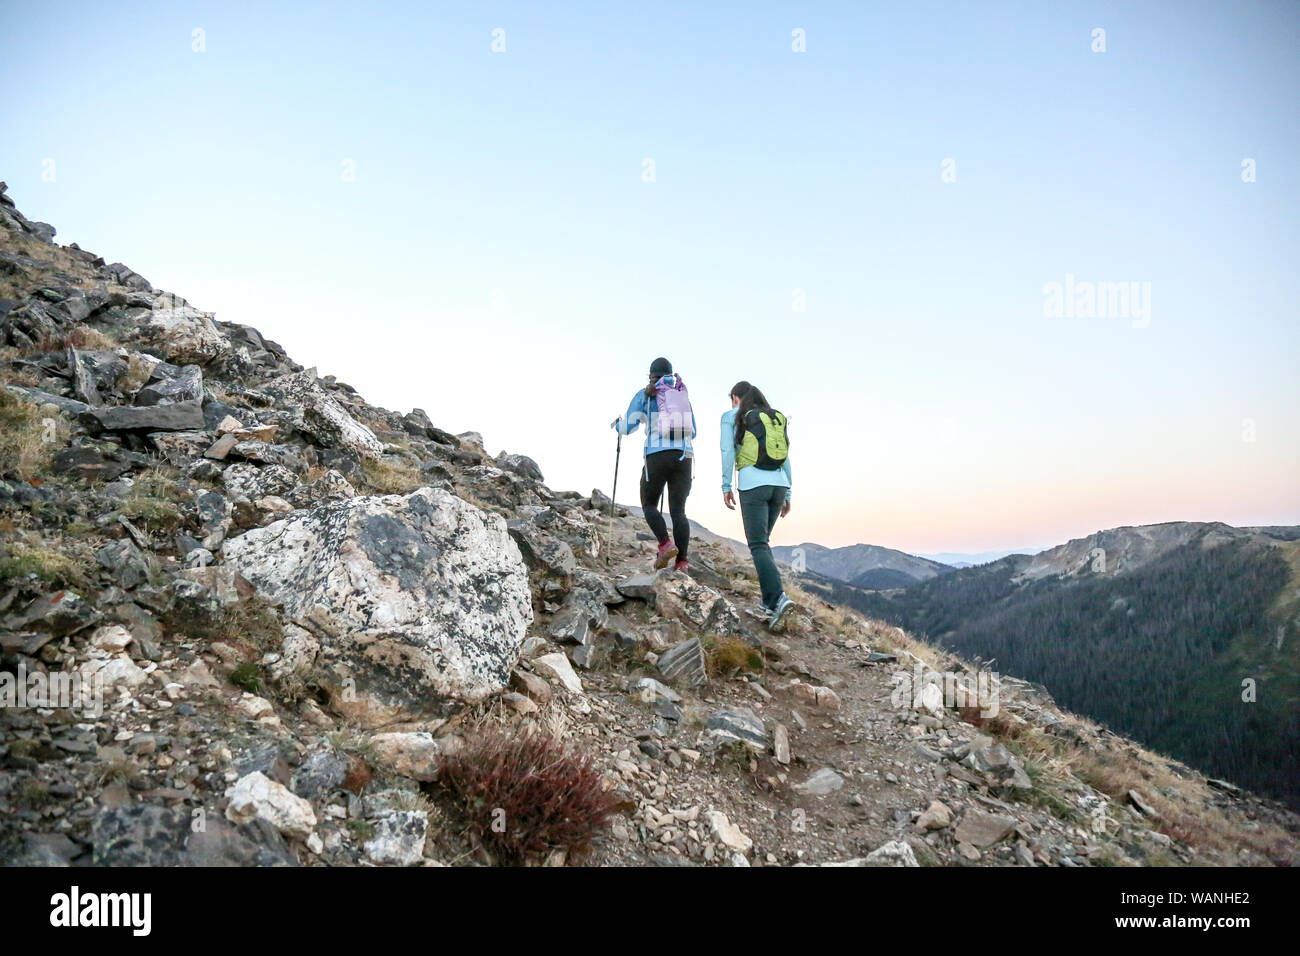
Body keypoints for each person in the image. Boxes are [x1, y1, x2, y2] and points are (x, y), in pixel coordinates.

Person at [722, 381, 795, 631]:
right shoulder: (775, 418)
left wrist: (725, 485)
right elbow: (786, 457)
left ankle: (777, 599)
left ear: (735, 397)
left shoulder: (733, 417)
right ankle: (768, 602)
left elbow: (727, 451)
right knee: (763, 543)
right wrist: (788, 493)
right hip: (778, 486)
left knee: (758, 544)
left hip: (754, 485)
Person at [613, 357, 697, 572]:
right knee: (679, 512)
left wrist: (617, 425)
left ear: (651, 375)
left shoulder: (646, 394)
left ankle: (665, 544)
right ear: (671, 373)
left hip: (657, 455)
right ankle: (683, 562)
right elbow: (694, 431)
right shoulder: (681, 395)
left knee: (649, 504)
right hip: (684, 456)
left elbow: (627, 427)